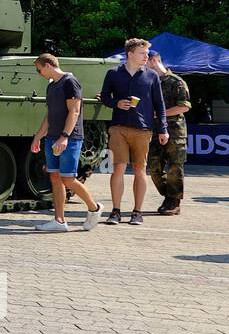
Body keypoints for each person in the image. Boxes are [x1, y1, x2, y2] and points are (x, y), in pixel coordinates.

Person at [99, 37, 168, 226]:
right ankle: (115, 211)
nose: (147, 57)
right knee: (118, 168)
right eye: (142, 53)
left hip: (143, 129)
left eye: (147, 53)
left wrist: (163, 129)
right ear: (130, 54)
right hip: (118, 128)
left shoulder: (152, 76)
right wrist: (116, 103)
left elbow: (159, 105)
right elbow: (104, 97)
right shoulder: (113, 73)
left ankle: (137, 212)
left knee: (140, 170)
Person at [30, 53, 101, 232]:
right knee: (55, 178)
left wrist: (64, 136)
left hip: (69, 138)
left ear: (47, 65)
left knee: (68, 179)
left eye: (39, 70)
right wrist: (38, 136)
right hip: (52, 138)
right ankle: (59, 221)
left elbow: (75, 111)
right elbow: (50, 114)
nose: (39, 74)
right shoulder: (51, 86)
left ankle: (95, 208)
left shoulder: (70, 82)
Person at [146, 51, 191, 215]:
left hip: (174, 130)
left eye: (146, 62)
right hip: (154, 130)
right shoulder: (149, 81)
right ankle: (169, 196)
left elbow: (184, 106)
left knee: (174, 166)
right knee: (153, 168)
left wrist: (160, 113)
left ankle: (174, 201)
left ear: (155, 60)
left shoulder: (176, 82)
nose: (144, 65)